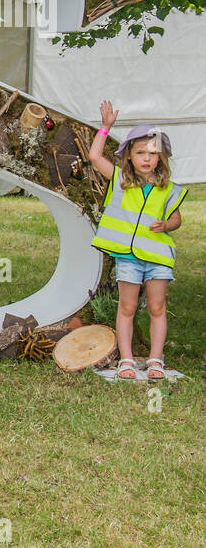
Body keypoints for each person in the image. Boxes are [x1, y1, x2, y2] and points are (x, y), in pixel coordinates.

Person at [88, 101, 186, 380]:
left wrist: (166, 224)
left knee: (157, 307)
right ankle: (127, 359)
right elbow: (95, 157)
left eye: (153, 154)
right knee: (127, 307)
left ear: (160, 158)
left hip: (157, 258)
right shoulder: (121, 181)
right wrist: (105, 128)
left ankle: (156, 359)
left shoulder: (167, 189)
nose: (146, 158)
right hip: (128, 257)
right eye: (140, 152)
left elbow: (177, 219)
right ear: (129, 156)